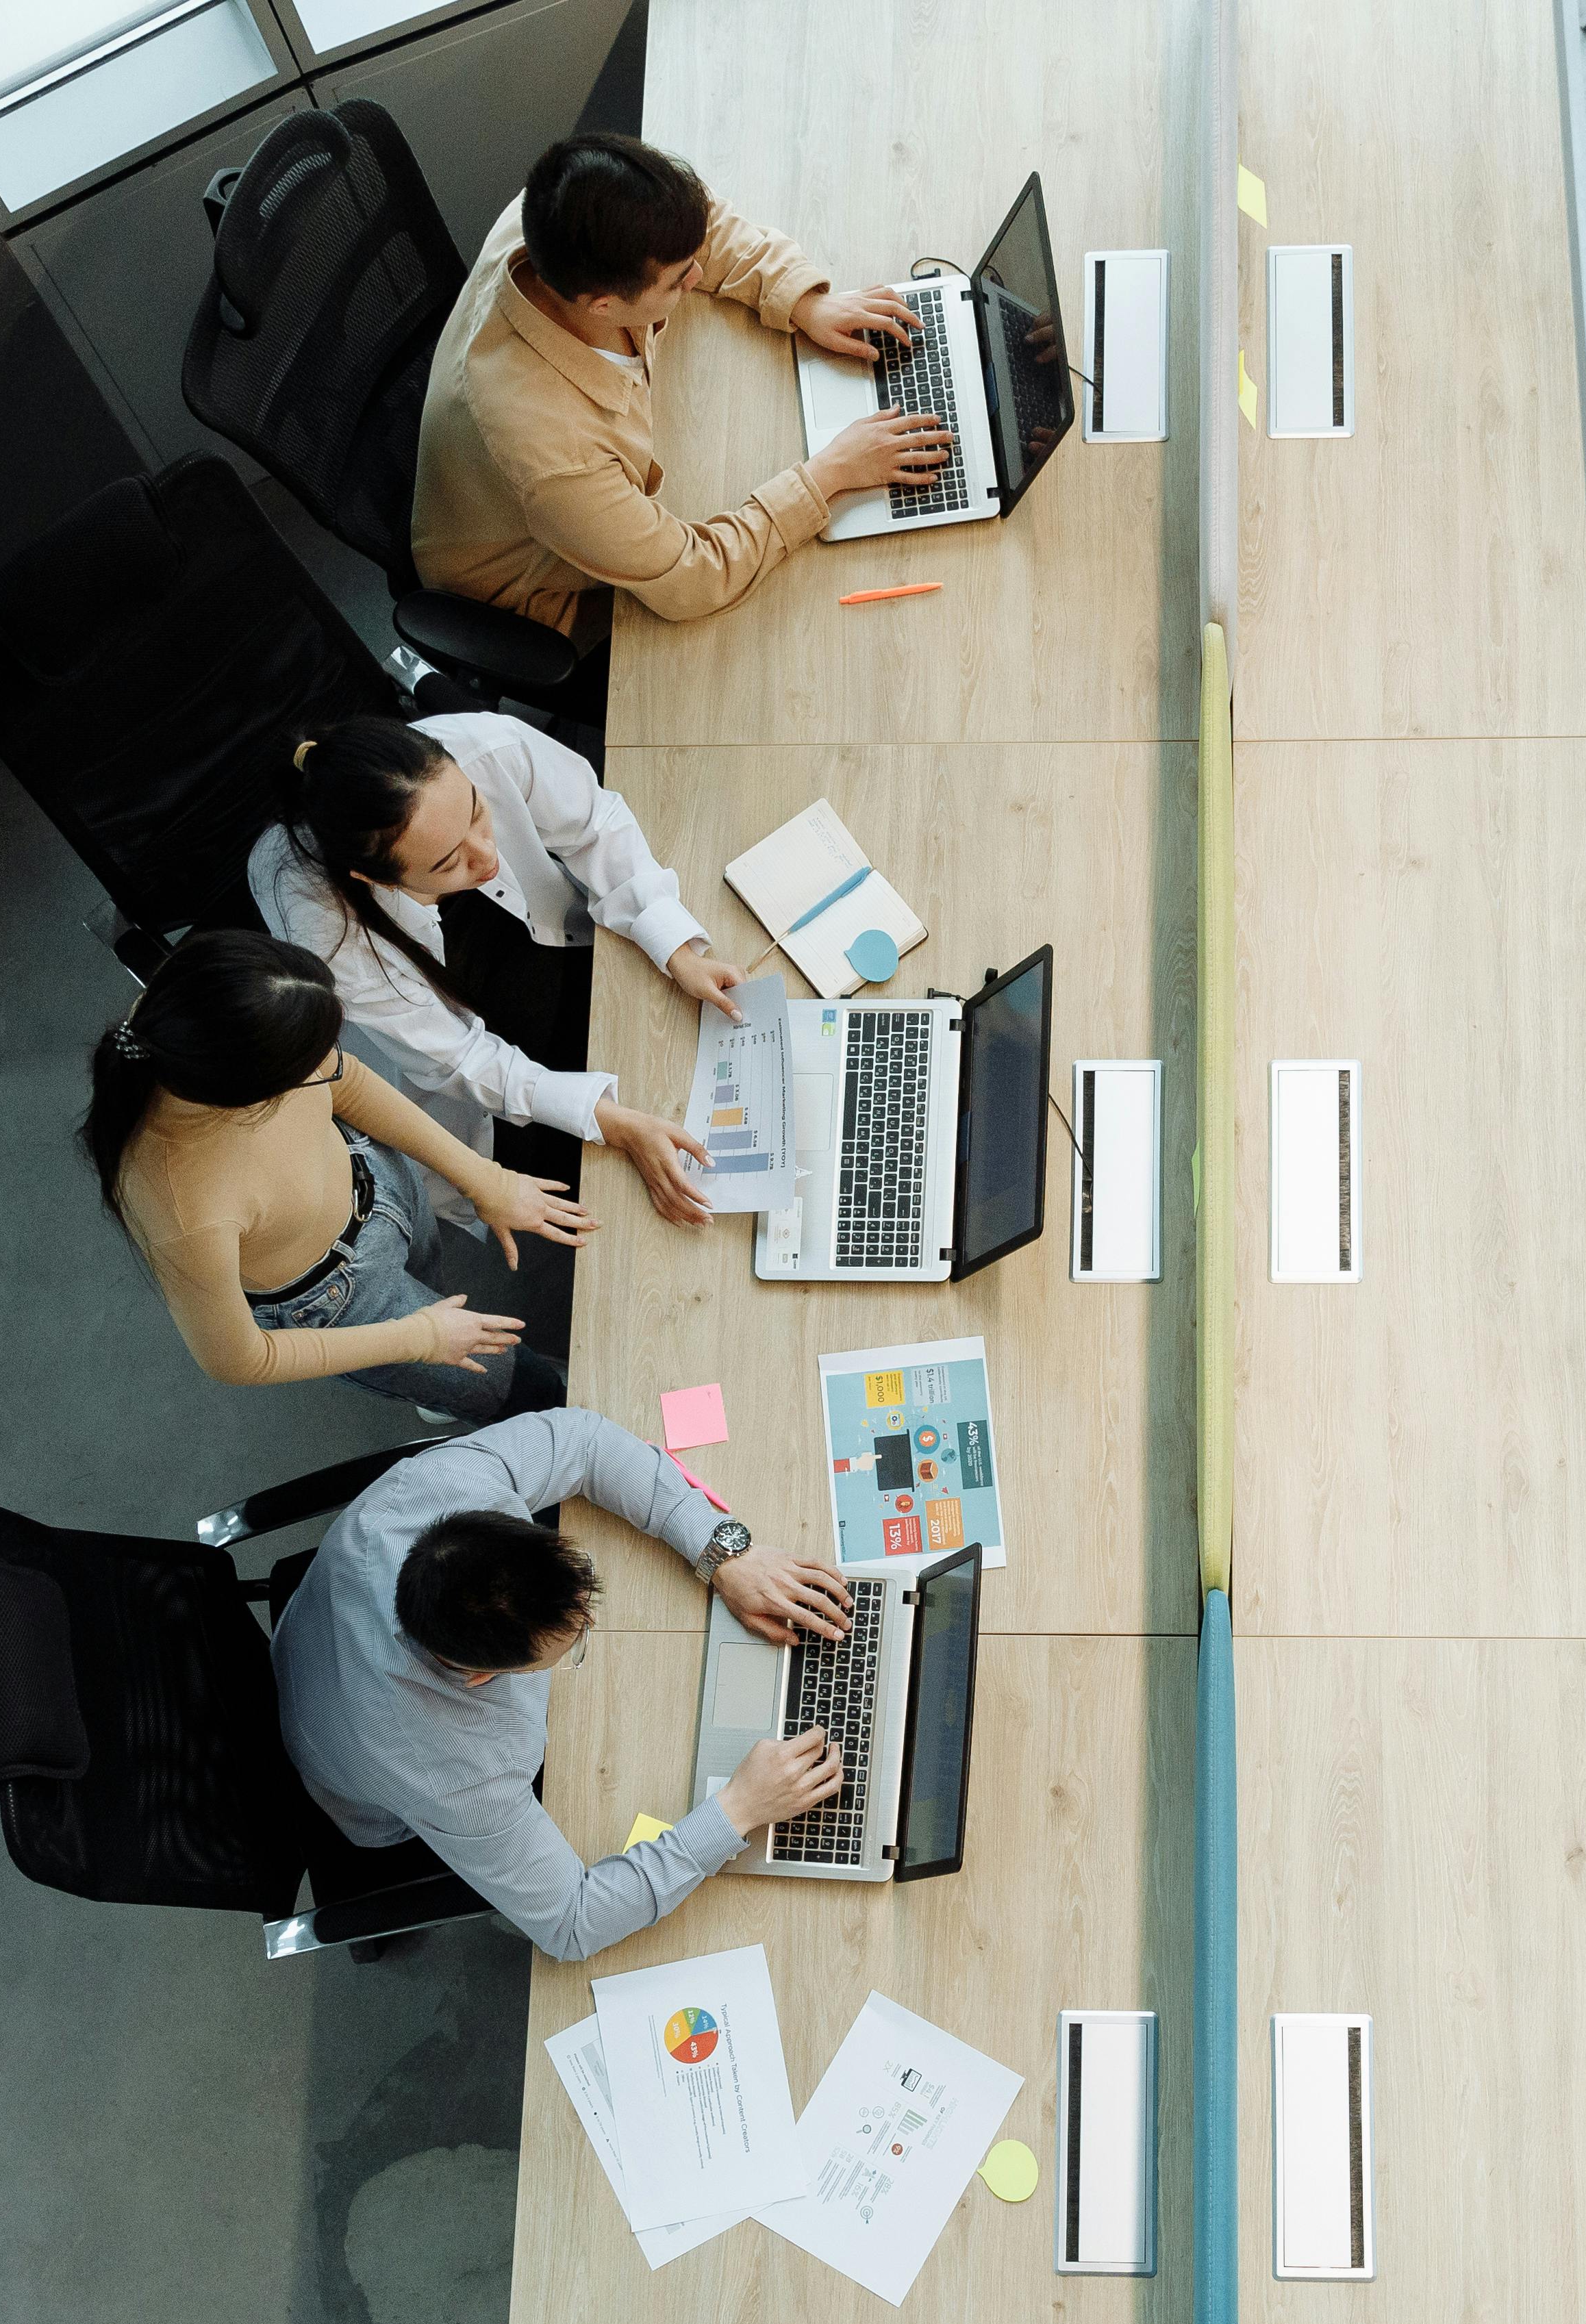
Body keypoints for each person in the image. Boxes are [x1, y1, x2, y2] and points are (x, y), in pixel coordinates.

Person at [276, 1407, 853, 1962]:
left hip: (315, 1643)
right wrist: (736, 1810)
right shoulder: (459, 1774)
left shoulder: (446, 1483)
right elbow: (571, 1925)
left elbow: (581, 1441)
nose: (591, 1625)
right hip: (365, 1789)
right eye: (573, 1643)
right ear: (484, 1676)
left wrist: (723, 1552)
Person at [412, 131, 952, 646]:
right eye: (678, 280)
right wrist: (831, 472)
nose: (695, 276)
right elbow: (692, 580)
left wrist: (803, 302)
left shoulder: (555, 214)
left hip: (594, 503)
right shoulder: (556, 461)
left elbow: (701, 225)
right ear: (602, 304)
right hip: (546, 595)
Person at [82, 930, 591, 1419]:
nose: (328, 1062)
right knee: (524, 1389)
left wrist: (484, 1177)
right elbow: (238, 1358)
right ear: (250, 1092)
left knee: (433, 1285)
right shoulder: (187, 1208)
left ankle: (434, 1359)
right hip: (335, 1298)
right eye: (308, 1063)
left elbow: (345, 1081)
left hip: (375, 1176)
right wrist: (418, 1339)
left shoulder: (196, 1023)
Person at [251, 715, 736, 1228]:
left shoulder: (483, 746)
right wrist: (611, 1122)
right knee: (606, 1193)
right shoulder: (328, 934)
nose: (487, 857)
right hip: (473, 1058)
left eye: (478, 814)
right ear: (374, 879)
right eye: (447, 862)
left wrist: (676, 947)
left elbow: (594, 826)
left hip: (550, 947)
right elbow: (455, 1059)